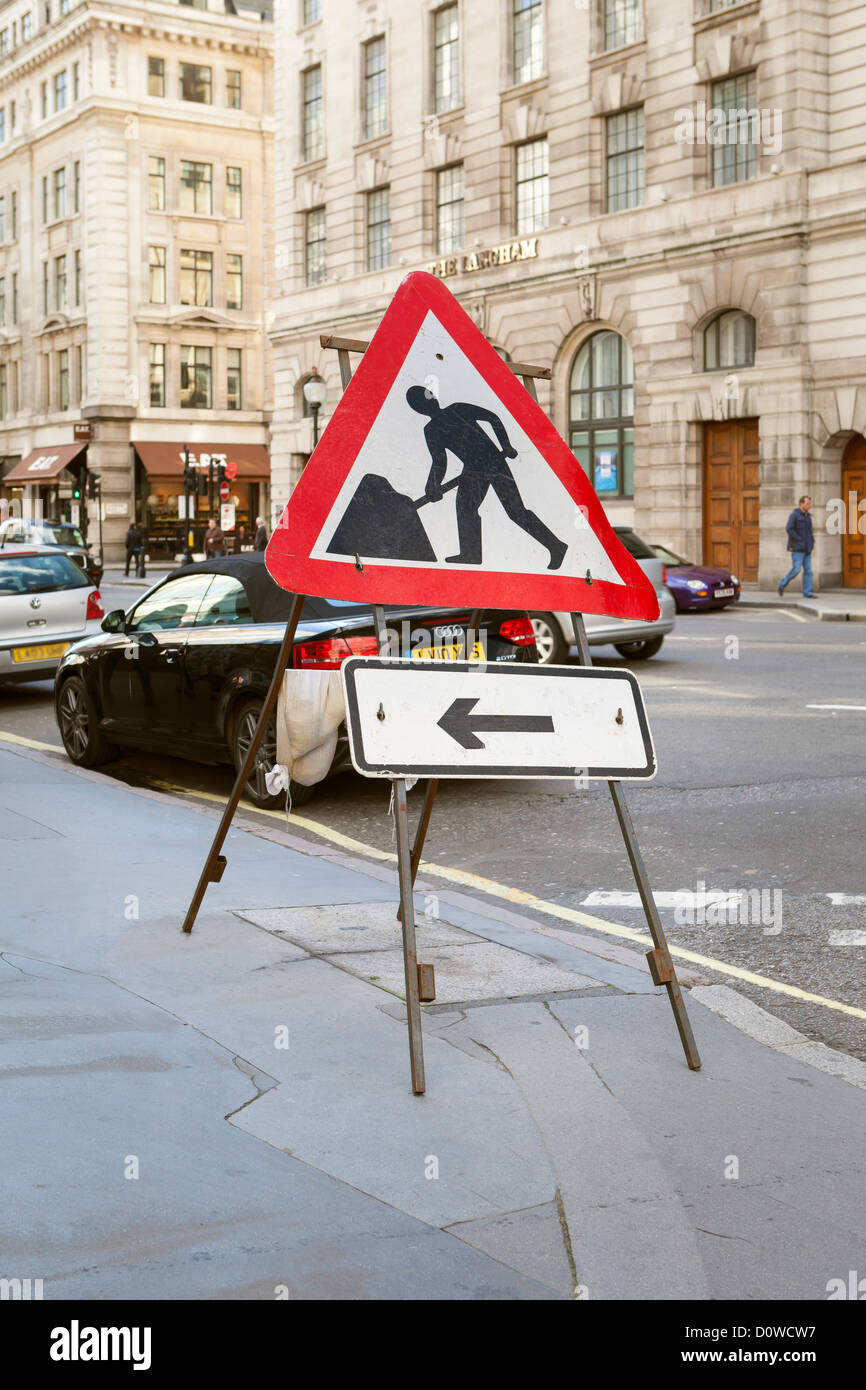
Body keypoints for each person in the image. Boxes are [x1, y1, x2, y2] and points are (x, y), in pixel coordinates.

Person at [406, 386, 567, 569]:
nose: (432, 400)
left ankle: (556, 546)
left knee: (513, 510)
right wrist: (432, 485)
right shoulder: (432, 429)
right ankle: (471, 554)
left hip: (493, 461)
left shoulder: (457, 409)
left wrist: (506, 445)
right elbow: (440, 461)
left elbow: (492, 417)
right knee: (468, 508)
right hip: (474, 469)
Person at [778, 495, 815, 598]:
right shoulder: (794, 515)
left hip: (807, 548)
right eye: (807, 503)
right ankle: (782, 584)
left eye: (809, 503)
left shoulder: (808, 516)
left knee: (808, 571)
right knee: (796, 570)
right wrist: (799, 539)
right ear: (801, 504)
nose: (809, 505)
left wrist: (812, 542)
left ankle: (807, 592)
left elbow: (810, 532)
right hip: (798, 549)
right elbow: (789, 529)